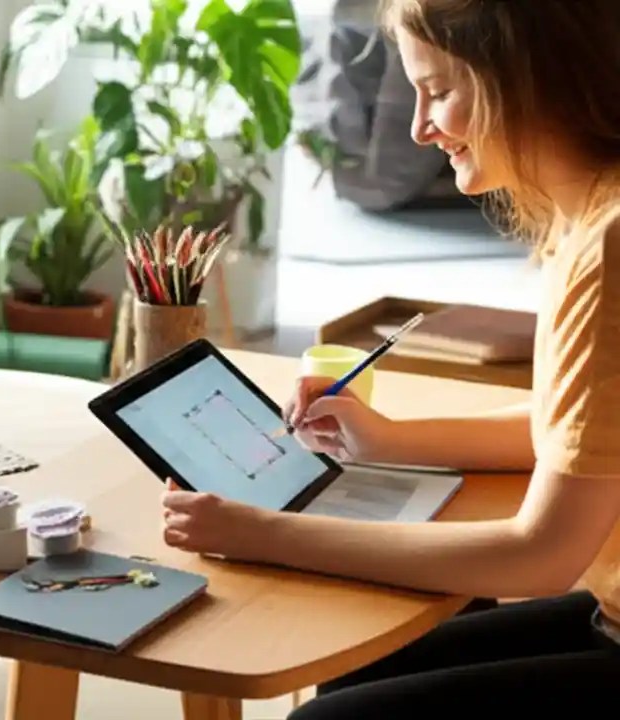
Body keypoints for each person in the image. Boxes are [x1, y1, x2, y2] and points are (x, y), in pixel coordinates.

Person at [160, 0, 620, 714]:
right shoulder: (586, 212)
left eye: (438, 91)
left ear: (523, 77)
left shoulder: (611, 244)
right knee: (360, 661)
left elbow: (542, 555)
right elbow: (578, 433)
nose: (419, 126)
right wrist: (389, 441)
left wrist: (262, 534)